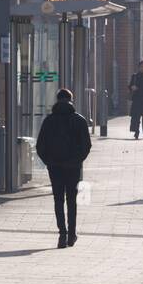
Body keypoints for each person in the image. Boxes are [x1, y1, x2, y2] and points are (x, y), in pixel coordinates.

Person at [36, 88, 92, 248]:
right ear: (70, 100)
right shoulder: (79, 120)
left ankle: (62, 235)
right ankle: (72, 234)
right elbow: (86, 145)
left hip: (55, 167)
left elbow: (40, 146)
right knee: (71, 200)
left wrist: (49, 161)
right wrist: (78, 160)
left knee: (58, 200)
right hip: (73, 167)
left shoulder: (49, 121)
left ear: (57, 100)